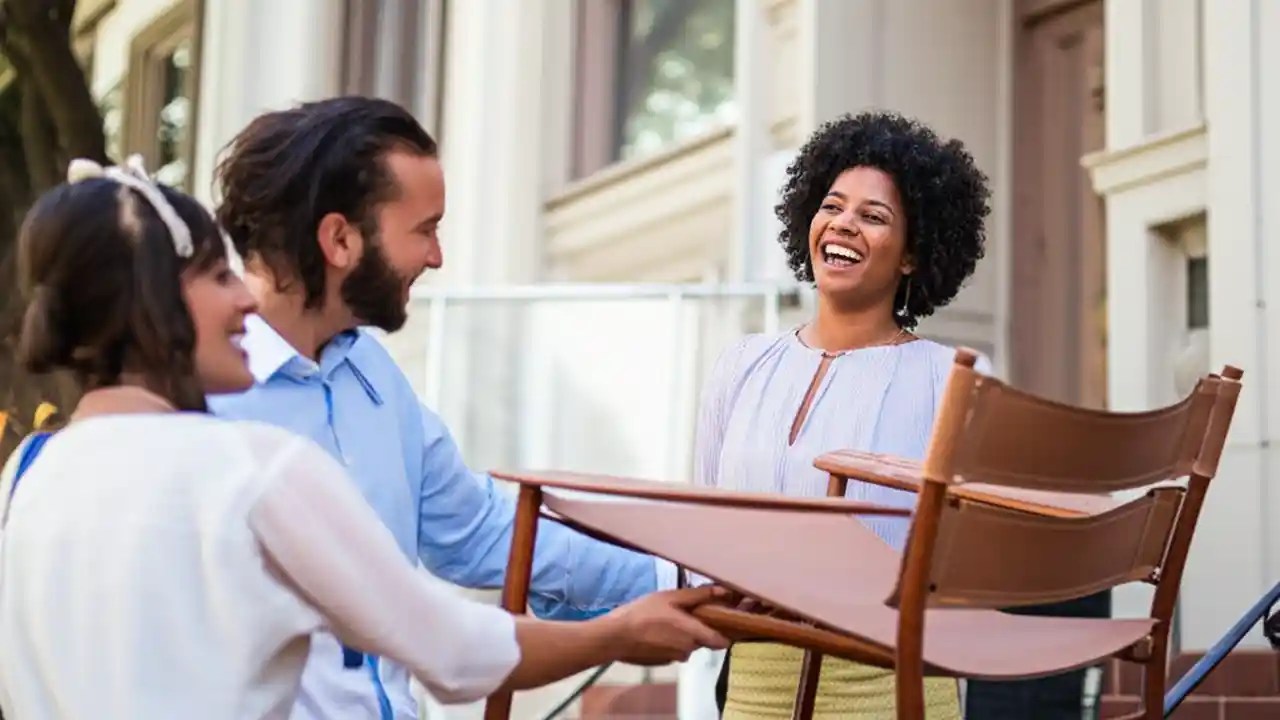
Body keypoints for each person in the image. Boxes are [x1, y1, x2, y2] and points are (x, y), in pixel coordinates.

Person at [0, 157, 729, 720]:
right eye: (218, 275)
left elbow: (478, 528)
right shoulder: (256, 469)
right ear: (154, 297)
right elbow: (452, 650)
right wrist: (617, 634)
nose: (244, 297)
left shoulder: (24, 476)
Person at [206, 96, 680, 718]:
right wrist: (617, 631)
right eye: (425, 230)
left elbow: (478, 528)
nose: (436, 257)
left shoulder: (372, 372)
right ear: (339, 239)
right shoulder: (201, 406)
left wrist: (676, 579)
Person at [692, 111, 992, 719]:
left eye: (874, 216)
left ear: (912, 255)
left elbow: (970, 561)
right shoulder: (741, 364)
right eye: (832, 206)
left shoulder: (954, 378)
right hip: (754, 684)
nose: (844, 223)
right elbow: (705, 530)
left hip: (889, 682)